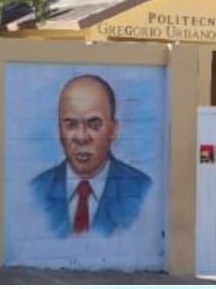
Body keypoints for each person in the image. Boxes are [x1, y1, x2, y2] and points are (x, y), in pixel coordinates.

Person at [31, 73, 151, 237]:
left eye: (94, 124)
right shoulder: (37, 190)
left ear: (114, 130)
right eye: (71, 124)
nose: (81, 137)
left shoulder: (142, 191)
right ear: (59, 129)